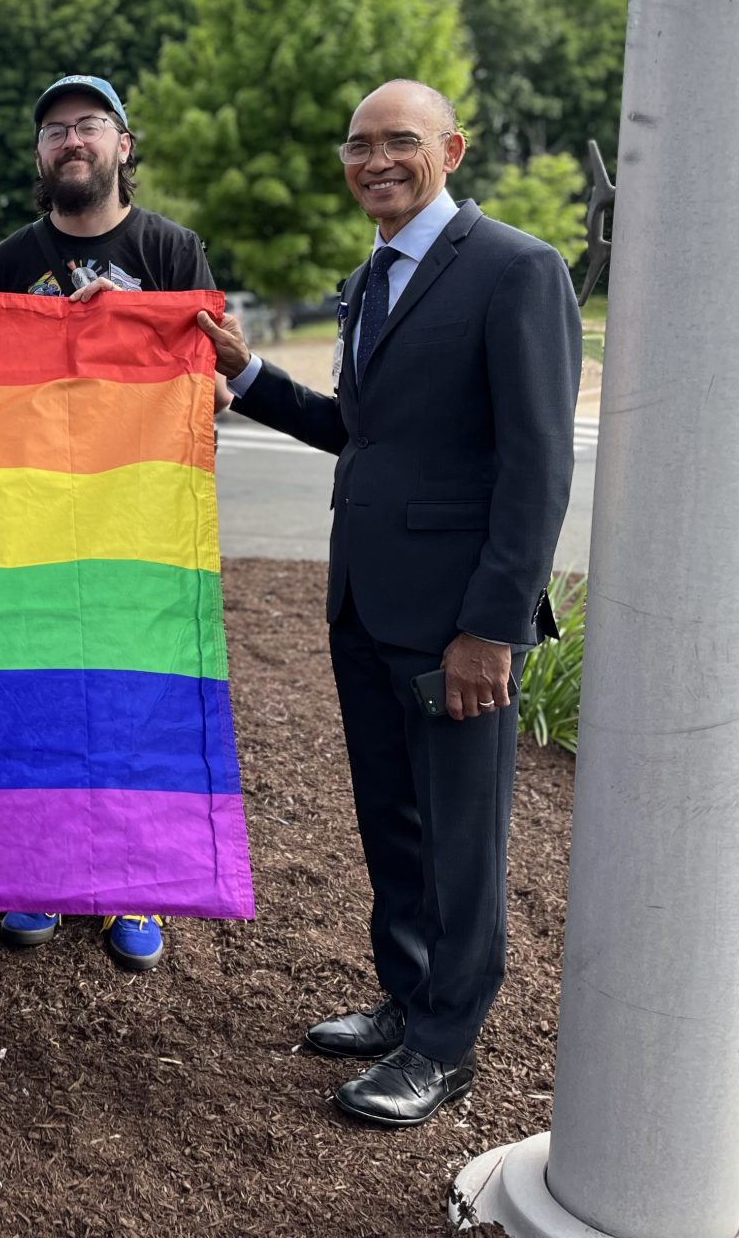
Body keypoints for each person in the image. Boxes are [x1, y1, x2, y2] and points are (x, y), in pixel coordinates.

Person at [196, 79, 581, 1128]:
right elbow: (363, 434)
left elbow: (536, 468)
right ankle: (408, 998)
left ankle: (446, 1046)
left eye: (398, 142)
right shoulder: (372, 275)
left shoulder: (514, 268)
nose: (375, 161)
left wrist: (490, 629)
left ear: (449, 148)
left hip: (456, 624)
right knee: (393, 825)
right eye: (357, 145)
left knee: (460, 839)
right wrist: (249, 372)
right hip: (362, 609)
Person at [0, 74, 219, 971]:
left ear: (123, 143)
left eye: (89, 125)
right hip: (26, 525)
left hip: (138, 526)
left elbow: (208, 388)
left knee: (131, 700)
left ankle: (131, 886)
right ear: (39, 156)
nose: (70, 141)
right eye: (54, 131)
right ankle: (36, 871)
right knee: (32, 696)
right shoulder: (3, 266)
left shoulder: (172, 250)